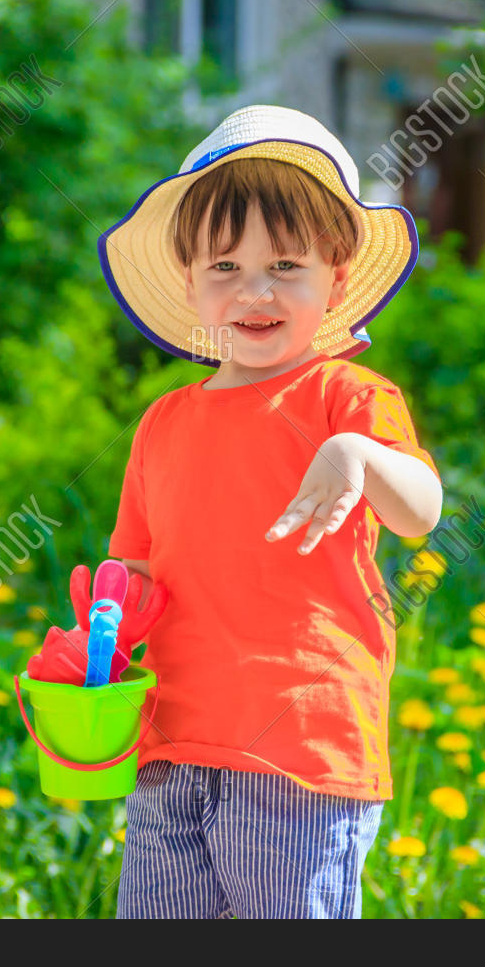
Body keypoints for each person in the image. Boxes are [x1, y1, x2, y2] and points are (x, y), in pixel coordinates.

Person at [99, 104, 442, 918]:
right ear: (191, 283)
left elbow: (422, 510)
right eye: (225, 267)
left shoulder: (345, 398)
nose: (255, 291)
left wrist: (359, 456)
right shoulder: (164, 424)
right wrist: (100, 637)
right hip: (173, 745)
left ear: (338, 277)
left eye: (286, 264)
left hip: (301, 749)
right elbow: (135, 572)